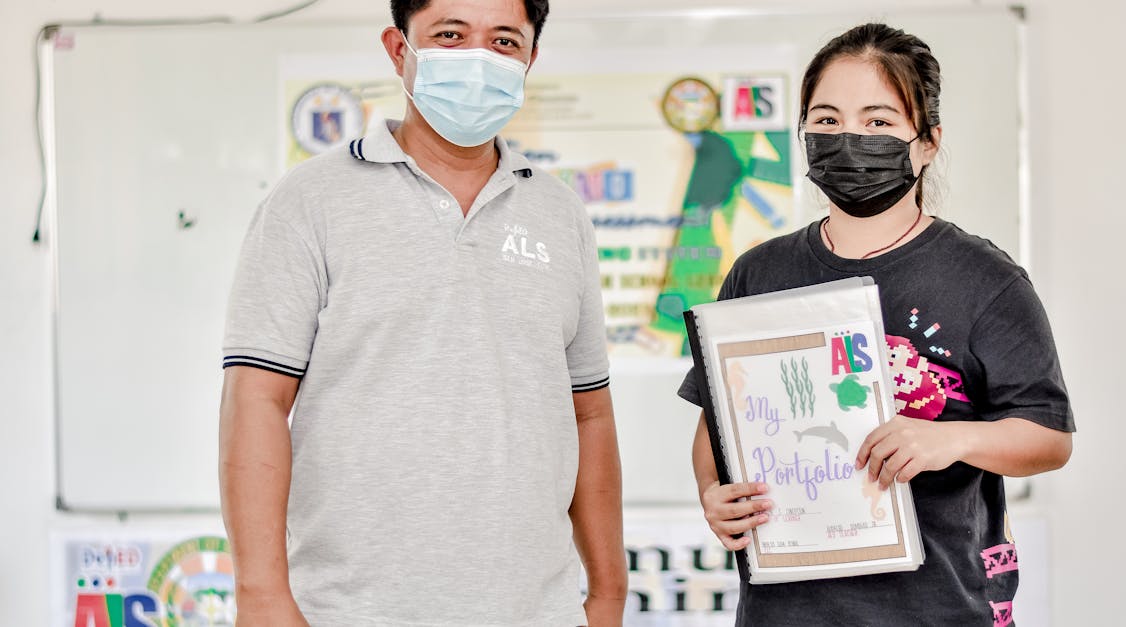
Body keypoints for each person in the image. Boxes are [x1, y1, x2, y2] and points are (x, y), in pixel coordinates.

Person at [218, 1, 627, 625]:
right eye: (450, 35)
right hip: (346, 611)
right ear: (397, 47)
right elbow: (257, 400)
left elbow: (589, 412)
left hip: (535, 612)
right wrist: (262, 596)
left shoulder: (559, 213)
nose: (477, 59)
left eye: (504, 41)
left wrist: (607, 594)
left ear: (529, 59)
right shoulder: (309, 201)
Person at [679, 23, 1074, 625]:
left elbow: (1049, 439)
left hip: (935, 608)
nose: (850, 138)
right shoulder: (758, 273)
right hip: (781, 611)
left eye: (879, 121)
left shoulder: (985, 281)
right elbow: (717, 433)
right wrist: (715, 495)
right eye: (827, 120)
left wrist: (951, 439)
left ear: (928, 142)